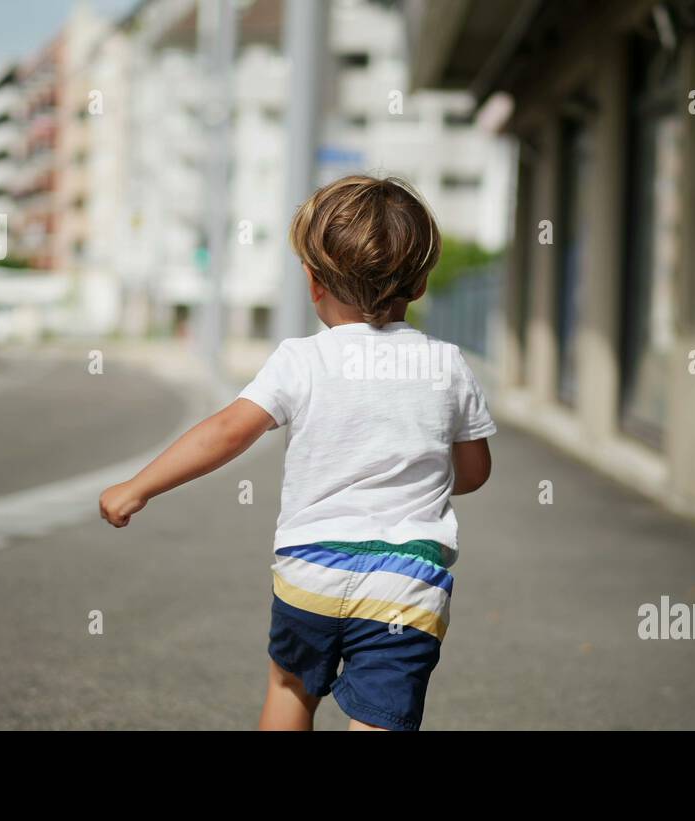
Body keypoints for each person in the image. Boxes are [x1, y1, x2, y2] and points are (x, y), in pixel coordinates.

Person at [99, 175, 495, 730]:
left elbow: (227, 431)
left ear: (312, 281)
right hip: (405, 586)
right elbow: (474, 472)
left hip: (311, 572)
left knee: (289, 687)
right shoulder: (446, 364)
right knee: (383, 713)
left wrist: (137, 487)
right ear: (422, 283)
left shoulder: (301, 360)